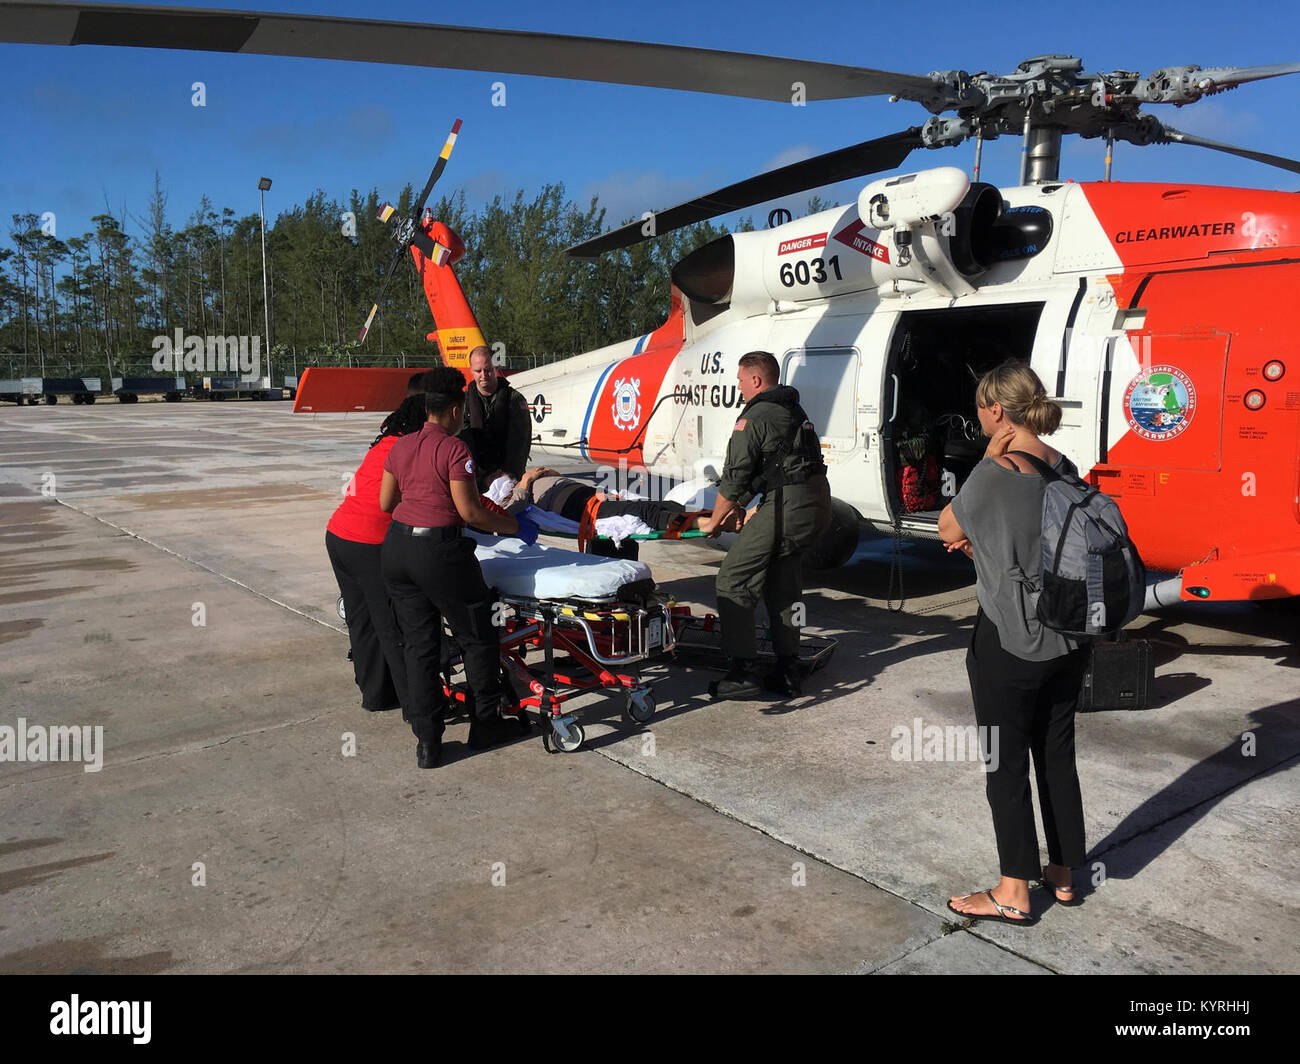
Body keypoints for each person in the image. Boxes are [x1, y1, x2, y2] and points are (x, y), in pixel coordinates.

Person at [938, 360, 1090, 926]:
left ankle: (1012, 891)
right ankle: (1066, 872)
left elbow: (947, 529)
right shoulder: (1064, 466)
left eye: (980, 409)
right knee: (1056, 752)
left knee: (1005, 761)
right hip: (1070, 635)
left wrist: (979, 469)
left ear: (996, 410)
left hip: (1012, 640)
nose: (978, 419)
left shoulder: (995, 469)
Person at [380, 366, 539, 769]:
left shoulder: (399, 446)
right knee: (476, 636)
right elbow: (471, 513)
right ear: (454, 410)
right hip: (440, 553)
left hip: (397, 549)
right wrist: (513, 525)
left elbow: (386, 503)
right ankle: (486, 724)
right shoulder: (455, 449)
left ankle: (428, 742)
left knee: (420, 645)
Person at [697, 351, 831, 699]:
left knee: (732, 579)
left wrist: (714, 520)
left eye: (740, 380)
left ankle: (743, 670)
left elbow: (736, 474)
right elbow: (772, 470)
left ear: (756, 380)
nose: (738, 388)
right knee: (782, 583)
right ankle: (787, 669)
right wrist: (742, 508)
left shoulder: (755, 416)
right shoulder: (792, 411)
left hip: (788, 506)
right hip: (816, 502)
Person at [325, 394, 426, 715]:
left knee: (362, 622)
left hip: (339, 536)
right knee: (392, 626)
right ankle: (415, 706)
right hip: (369, 543)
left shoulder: (383, 445)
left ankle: (376, 695)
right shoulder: (412, 450)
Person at [500, 466, 699, 532]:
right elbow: (509, 514)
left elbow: (560, 479)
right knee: (641, 511)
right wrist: (525, 482)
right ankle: (698, 523)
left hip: (588, 493)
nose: (501, 475)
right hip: (576, 506)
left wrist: (550, 473)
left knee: (647, 504)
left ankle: (697, 515)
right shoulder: (505, 498)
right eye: (495, 476)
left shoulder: (527, 477)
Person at [459, 345, 532, 492]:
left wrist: (509, 477)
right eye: (478, 371)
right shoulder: (463, 402)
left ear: (496, 368)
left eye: (488, 370)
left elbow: (519, 444)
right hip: (473, 476)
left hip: (506, 477)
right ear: (471, 371)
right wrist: (479, 477)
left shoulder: (514, 400)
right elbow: (459, 443)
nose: (483, 375)